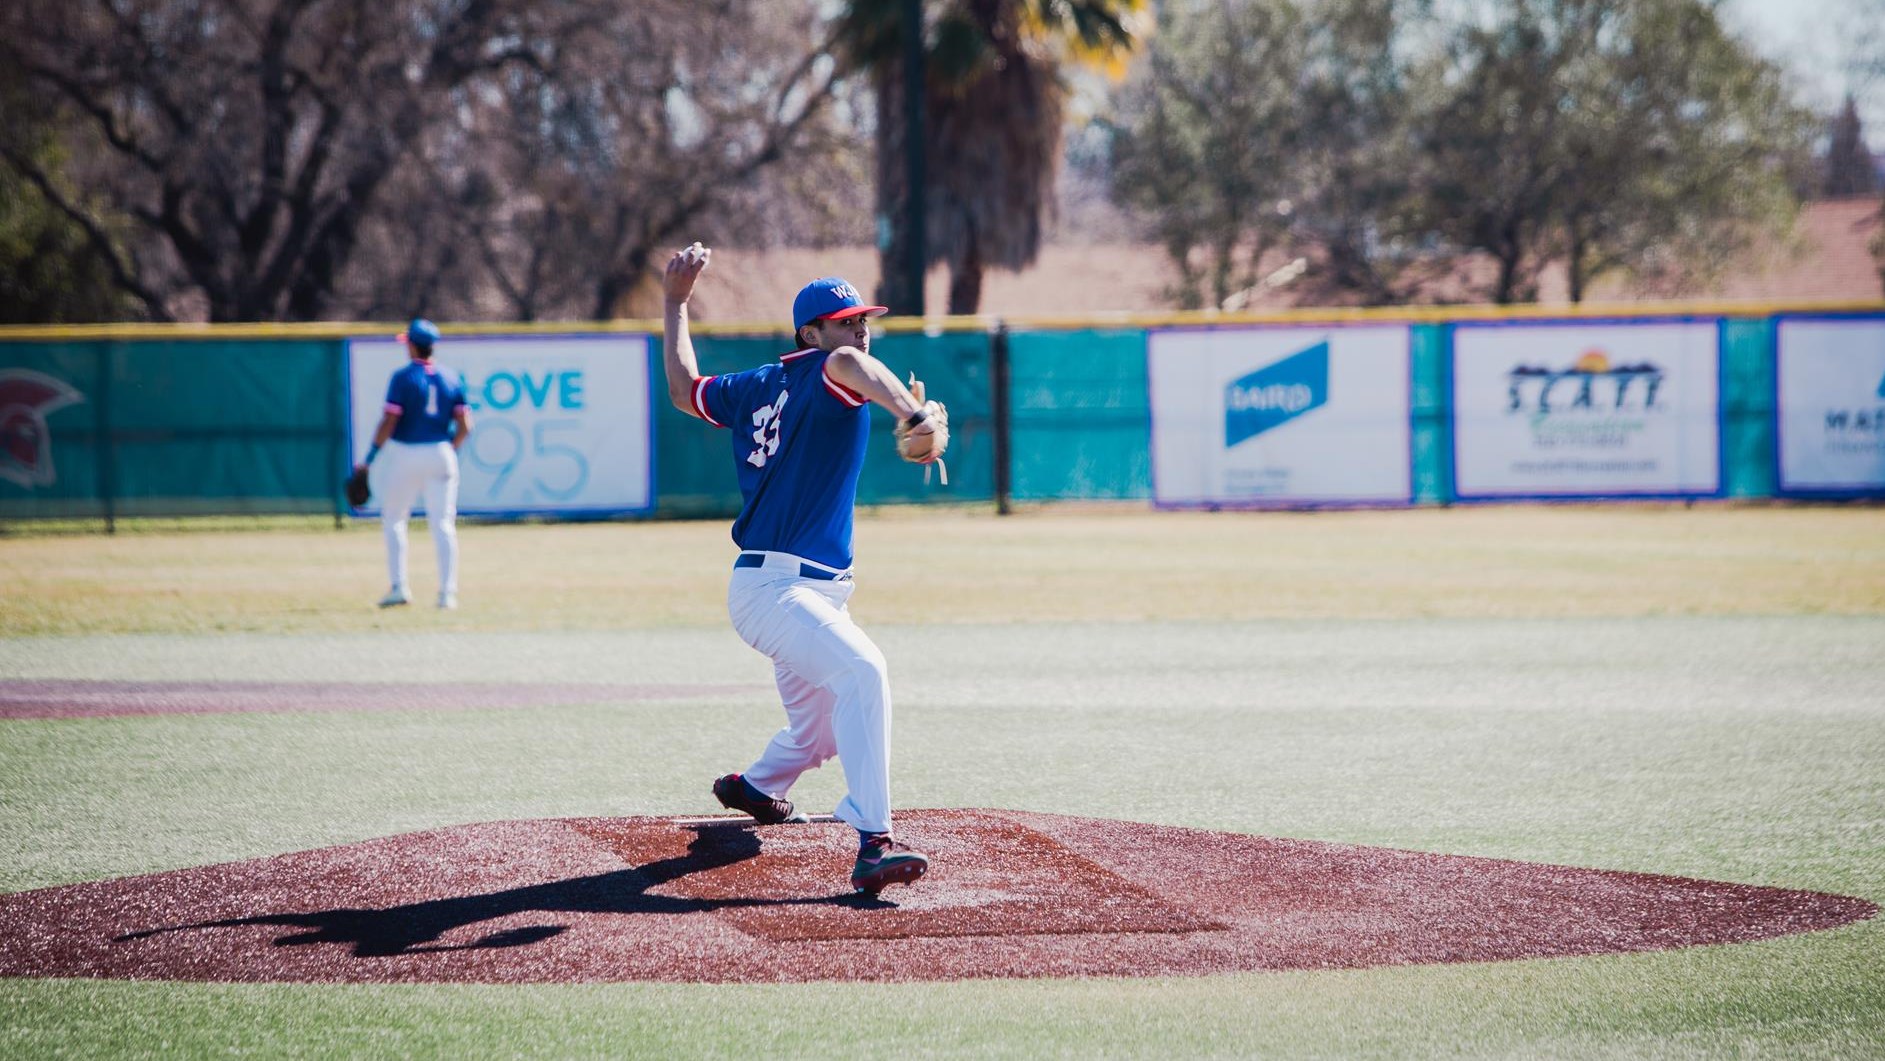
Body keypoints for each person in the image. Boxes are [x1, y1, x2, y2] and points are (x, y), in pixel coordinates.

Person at [661, 242, 943, 895]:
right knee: (864, 671)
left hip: (801, 593)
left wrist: (675, 304)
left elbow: (682, 390)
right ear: (809, 333)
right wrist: (912, 412)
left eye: (862, 320)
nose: (858, 331)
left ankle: (756, 787)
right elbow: (850, 364)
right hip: (774, 589)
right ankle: (874, 840)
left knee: (818, 734)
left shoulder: (755, 384)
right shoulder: (831, 367)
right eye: (844, 321)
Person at [354, 318, 472, 610]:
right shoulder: (451, 377)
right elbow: (466, 425)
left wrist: (368, 459)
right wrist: (449, 450)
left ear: (411, 345)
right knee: (443, 525)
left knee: (394, 519)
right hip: (441, 452)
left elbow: (390, 421)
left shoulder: (404, 378)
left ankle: (399, 587)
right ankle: (447, 593)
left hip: (408, 452)